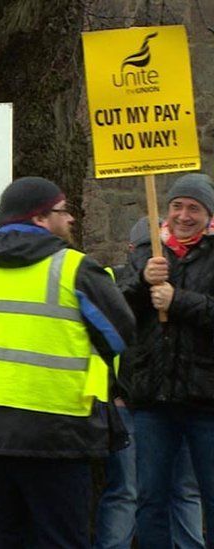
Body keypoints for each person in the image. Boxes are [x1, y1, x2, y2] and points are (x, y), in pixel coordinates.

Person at [0, 176, 134, 548]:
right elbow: (119, 335)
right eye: (63, 210)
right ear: (41, 218)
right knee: (59, 539)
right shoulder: (74, 268)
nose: (70, 218)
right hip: (55, 429)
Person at [94, 216, 204, 549]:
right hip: (129, 404)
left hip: (178, 401)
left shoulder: (184, 281)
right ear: (133, 250)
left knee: (183, 489)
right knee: (130, 491)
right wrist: (114, 393)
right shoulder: (115, 281)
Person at [119, 173, 214, 547]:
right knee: (150, 497)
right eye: (177, 206)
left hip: (206, 398)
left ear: (208, 215)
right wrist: (143, 281)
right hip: (153, 398)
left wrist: (179, 302)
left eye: (194, 208)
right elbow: (121, 309)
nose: (183, 215)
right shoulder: (147, 252)